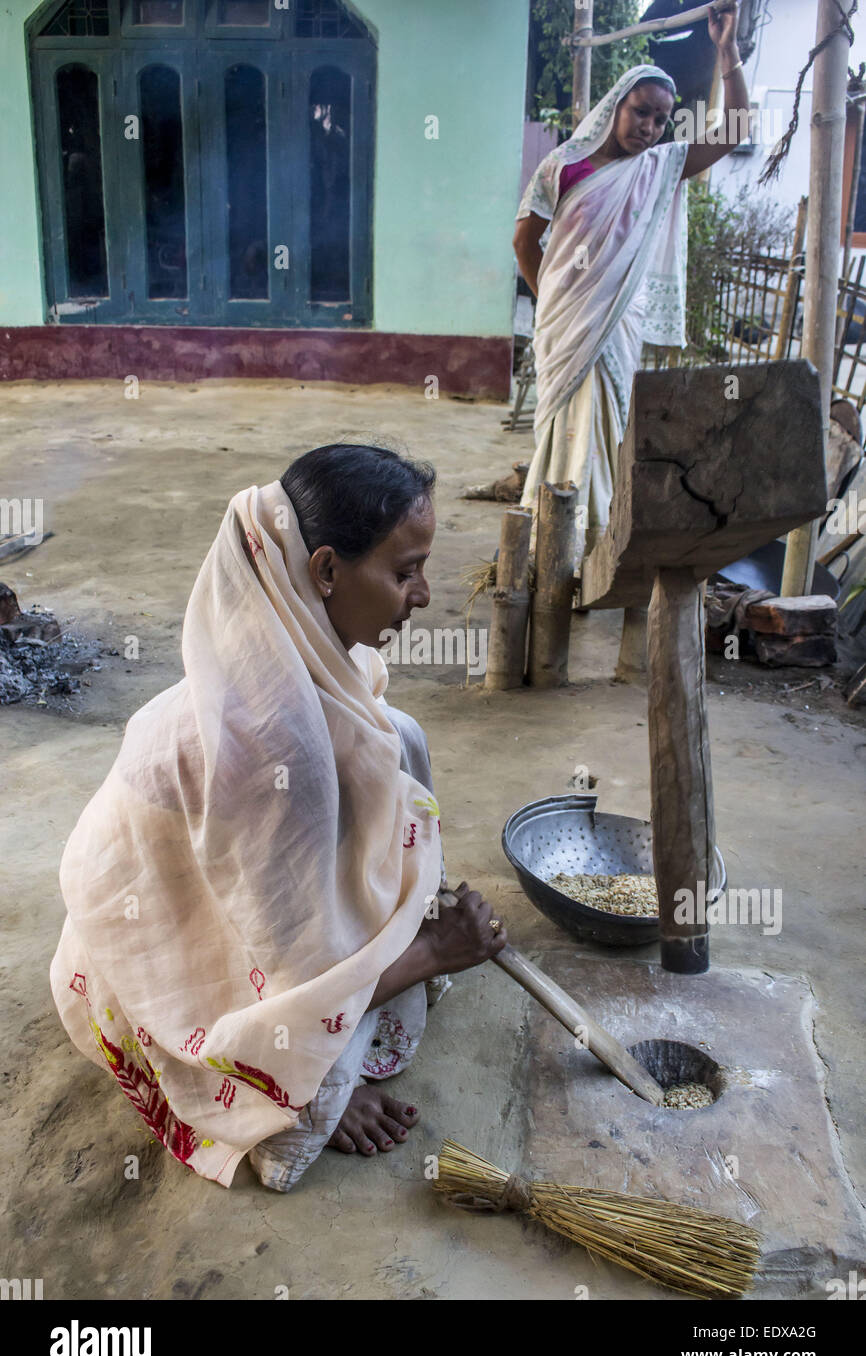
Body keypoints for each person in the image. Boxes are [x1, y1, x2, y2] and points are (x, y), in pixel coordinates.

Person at [49, 444, 507, 1192]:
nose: (424, 595)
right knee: (308, 1056)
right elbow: (287, 985)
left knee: (403, 738)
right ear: (325, 571)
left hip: (214, 889)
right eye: (403, 572)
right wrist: (432, 956)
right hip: (142, 975)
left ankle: (402, 945)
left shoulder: (305, 650)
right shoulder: (277, 755)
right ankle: (300, 1084)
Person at [513, 2, 749, 567]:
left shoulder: (662, 165)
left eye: (661, 120)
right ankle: (553, 545)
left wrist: (727, 49)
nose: (650, 128)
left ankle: (592, 549)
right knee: (562, 430)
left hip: (617, 324)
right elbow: (525, 243)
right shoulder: (563, 168)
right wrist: (556, 304)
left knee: (605, 432)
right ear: (616, 106)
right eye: (641, 113)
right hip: (565, 325)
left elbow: (736, 132)